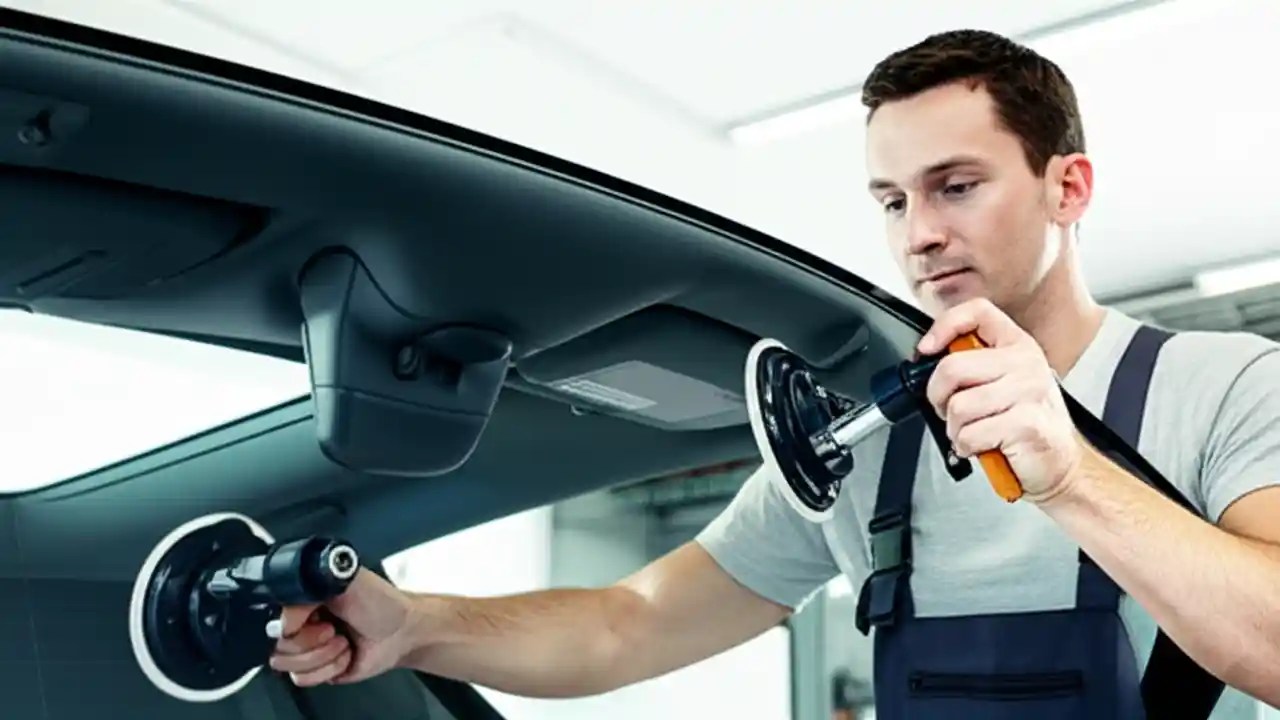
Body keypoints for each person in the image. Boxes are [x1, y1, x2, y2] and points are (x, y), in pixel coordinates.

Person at [267, 29, 1280, 716]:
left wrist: (1067, 477)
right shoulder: (861, 446)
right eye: (890, 201)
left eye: (956, 186)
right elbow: (631, 625)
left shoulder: (1221, 386)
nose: (919, 236)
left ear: (1067, 187)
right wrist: (414, 627)